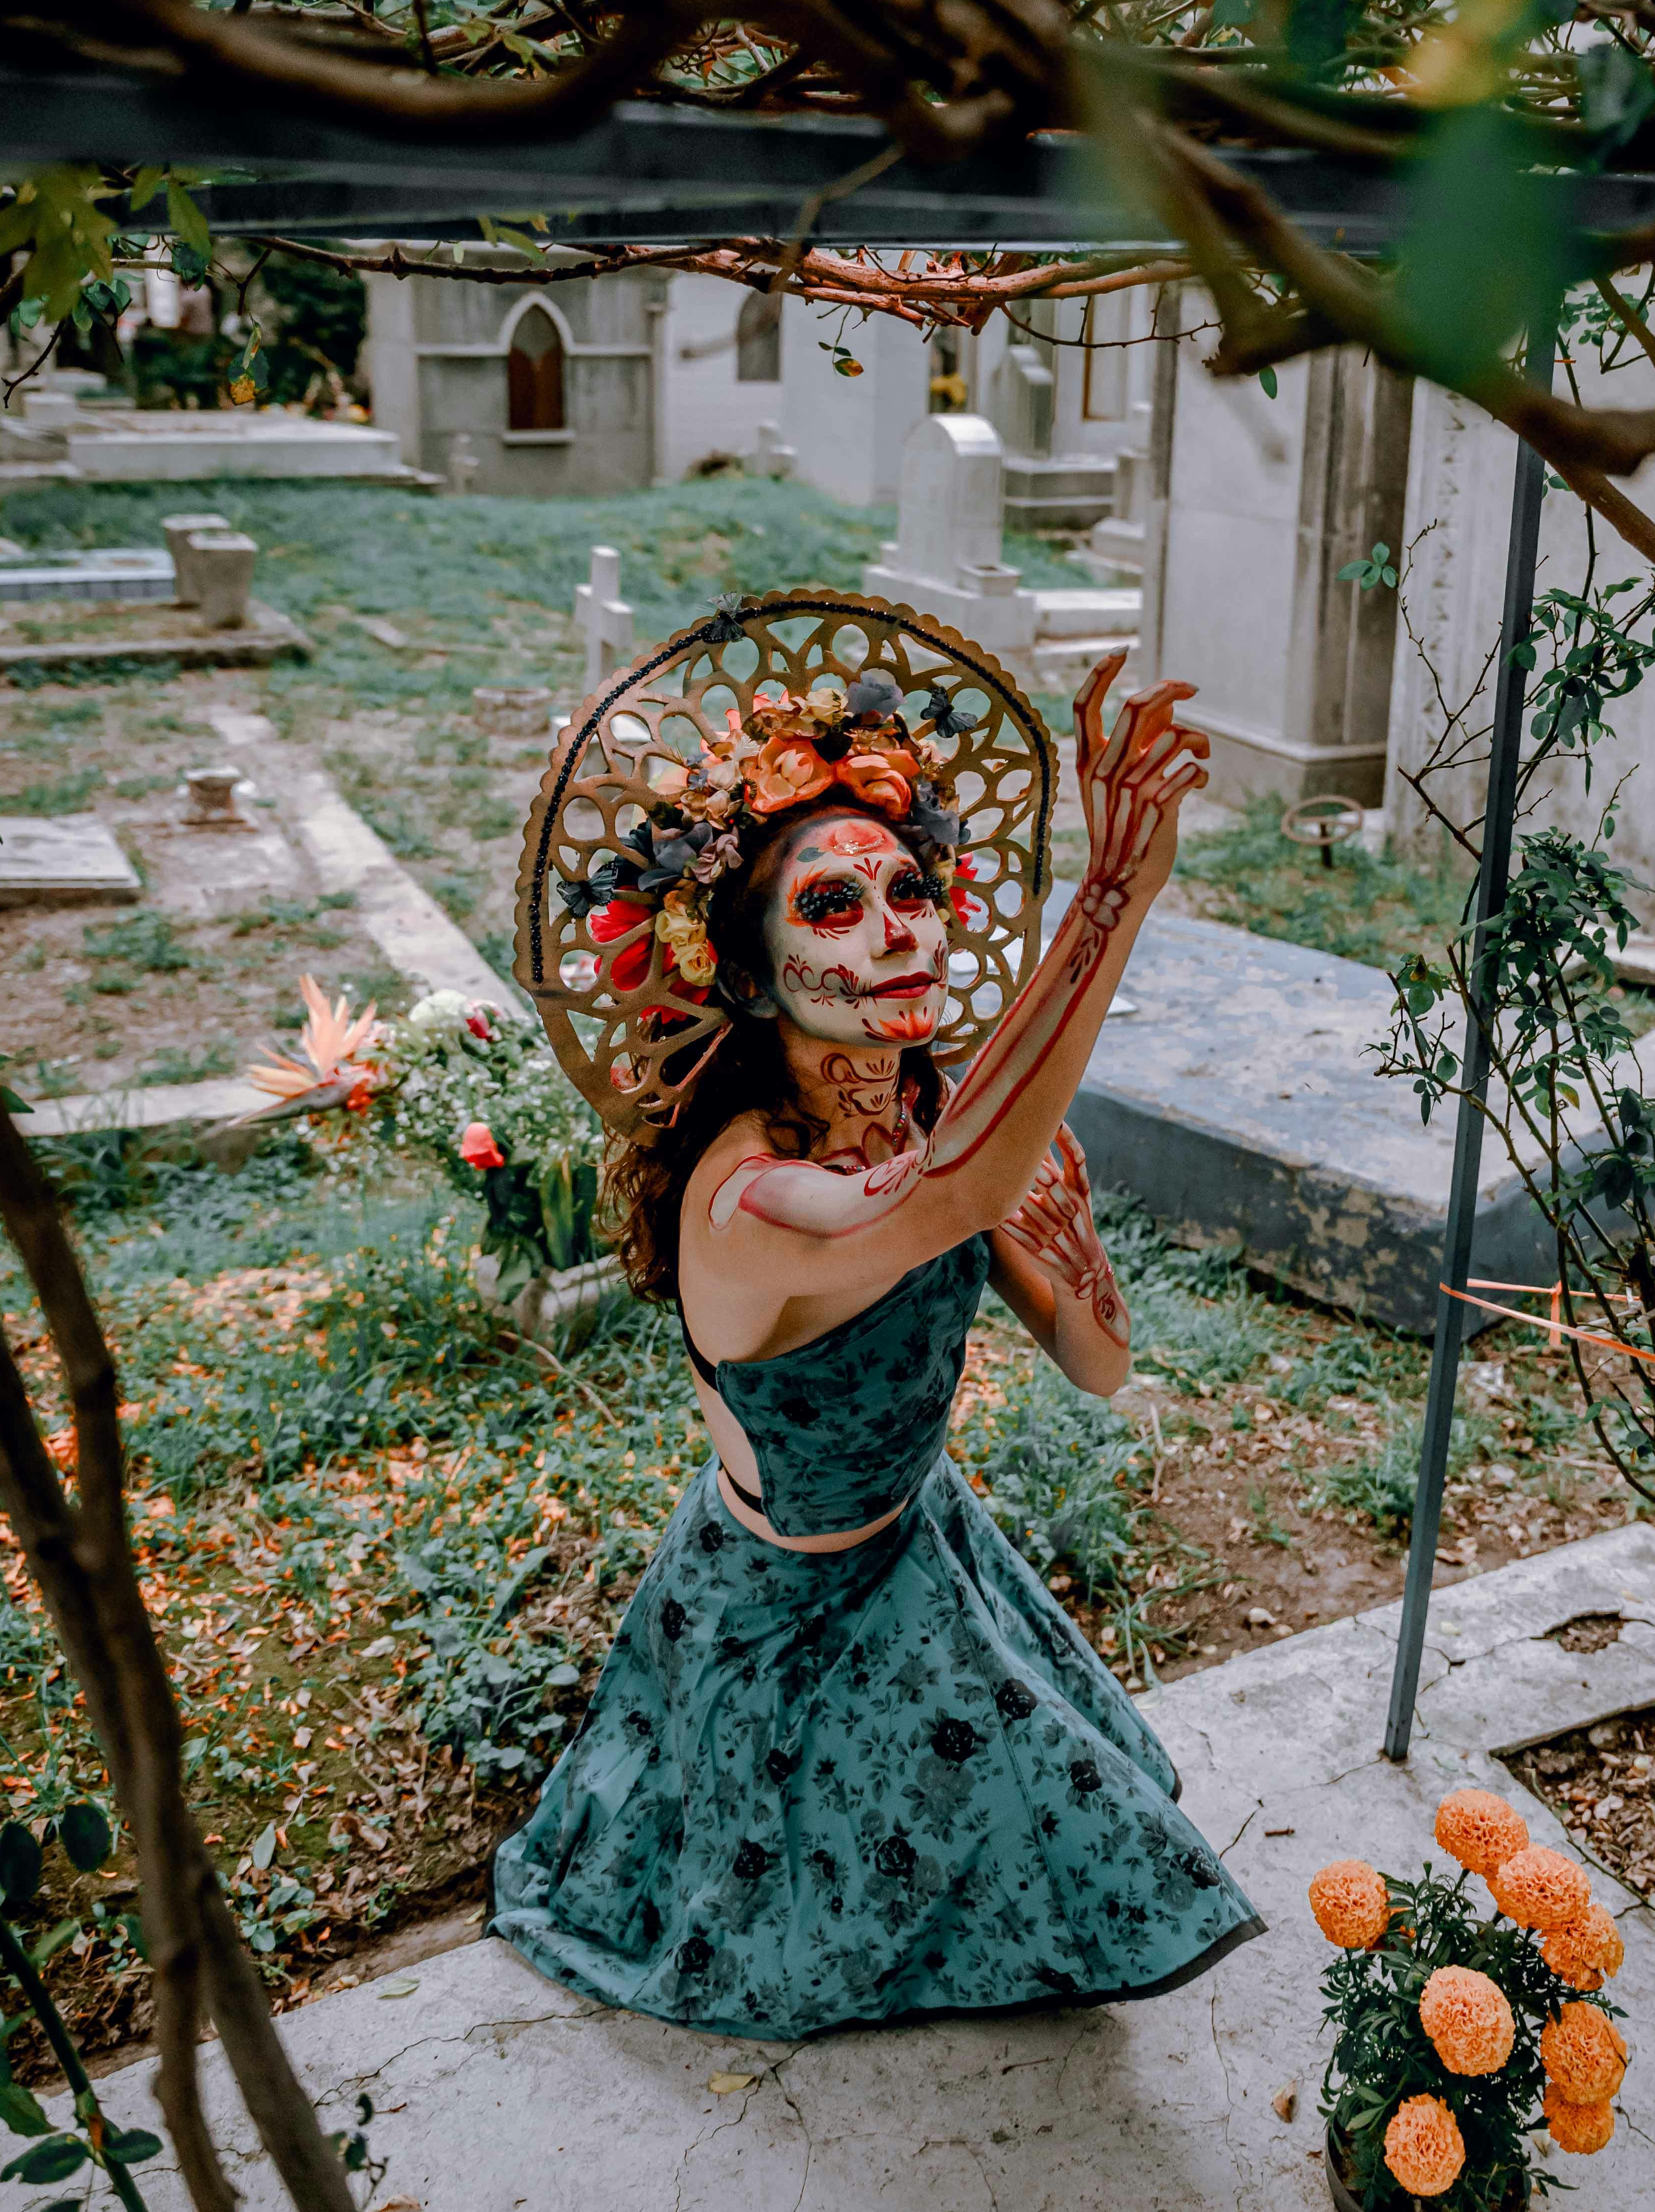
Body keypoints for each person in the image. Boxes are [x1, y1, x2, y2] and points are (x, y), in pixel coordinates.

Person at [493, 595, 1264, 2039]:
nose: (893, 930)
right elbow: (935, 1206)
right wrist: (1108, 902)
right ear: (744, 966)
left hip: (925, 1546)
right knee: (793, 1931)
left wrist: (1077, 1250)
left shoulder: (925, 1113)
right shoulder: (748, 1199)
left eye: (907, 890)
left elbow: (1101, 1371)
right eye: (832, 907)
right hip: (780, 1612)